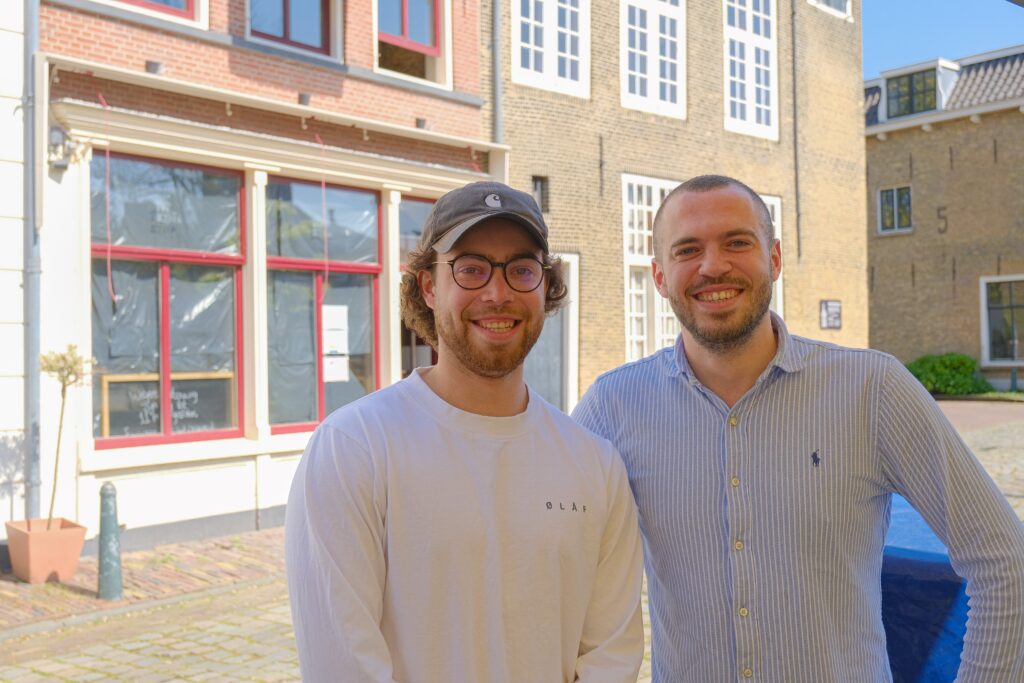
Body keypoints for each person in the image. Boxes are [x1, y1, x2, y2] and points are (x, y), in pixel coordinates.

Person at [572, 174, 1024, 681]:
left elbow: (1005, 559)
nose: (713, 265)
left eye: (737, 242)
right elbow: (551, 568)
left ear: (775, 259)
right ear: (659, 276)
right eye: (687, 249)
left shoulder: (871, 388)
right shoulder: (613, 406)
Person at [285, 181, 644, 683]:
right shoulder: (354, 448)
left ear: (545, 287)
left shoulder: (596, 465)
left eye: (521, 269)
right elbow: (342, 665)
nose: (498, 293)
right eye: (470, 269)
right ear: (429, 287)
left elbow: (611, 656)